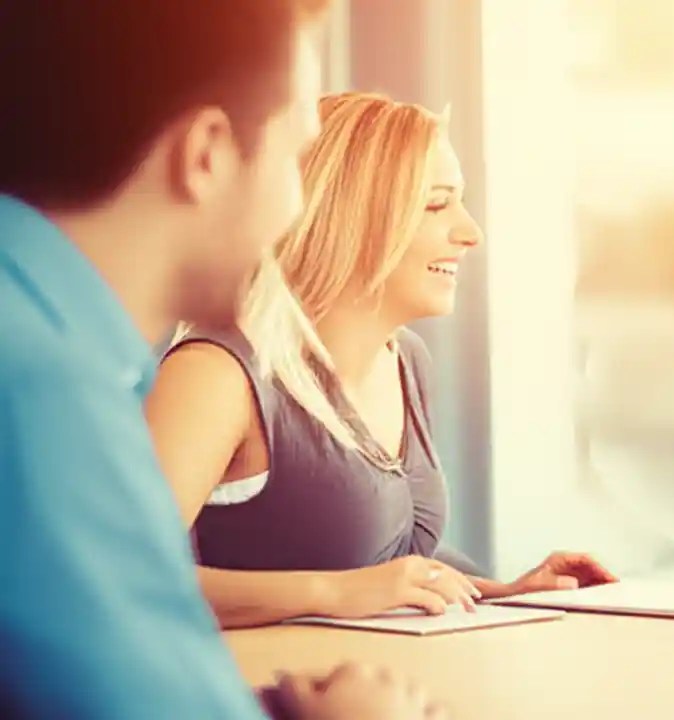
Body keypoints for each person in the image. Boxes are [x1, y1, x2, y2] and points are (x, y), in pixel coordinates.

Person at [0, 2, 443, 717]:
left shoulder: (60, 351)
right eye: (296, 161)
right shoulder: (41, 396)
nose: (303, 210)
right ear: (206, 155)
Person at [144, 91, 617, 629]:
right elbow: (121, 577)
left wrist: (505, 592)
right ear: (350, 215)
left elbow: (384, 567)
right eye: (436, 204)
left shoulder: (405, 361)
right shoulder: (215, 375)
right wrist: (330, 593)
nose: (470, 232)